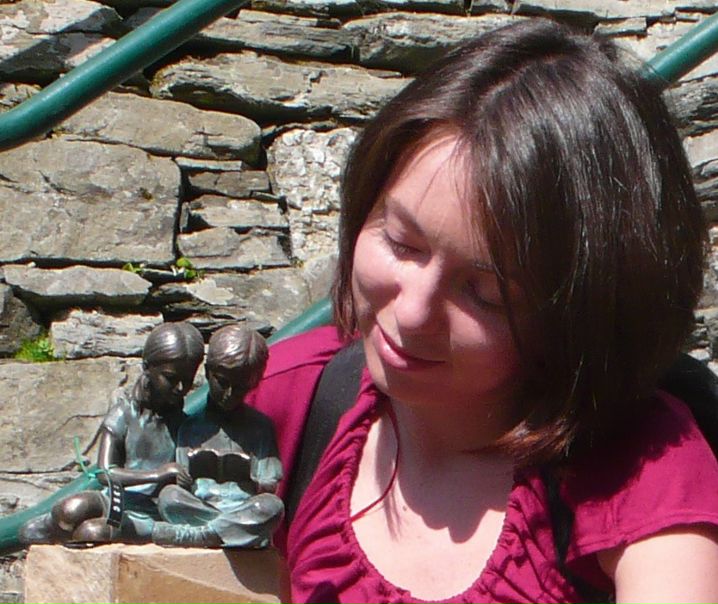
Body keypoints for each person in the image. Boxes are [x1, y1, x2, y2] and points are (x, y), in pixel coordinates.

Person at [243, 18, 718, 604]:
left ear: (584, 313)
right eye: (401, 243)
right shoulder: (286, 400)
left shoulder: (644, 468)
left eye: (485, 292)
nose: (412, 313)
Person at [20, 321, 204, 545]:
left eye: (188, 380)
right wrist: (157, 474)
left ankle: (72, 532)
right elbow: (105, 472)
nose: (181, 388)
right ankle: (56, 525)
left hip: (151, 511)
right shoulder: (124, 414)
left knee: (92, 532)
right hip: (115, 499)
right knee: (71, 509)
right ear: (147, 367)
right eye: (170, 378)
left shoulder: (184, 425)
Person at [151, 324, 284, 548]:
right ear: (207, 372)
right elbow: (181, 484)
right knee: (169, 497)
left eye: (240, 388)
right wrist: (183, 478)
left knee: (271, 507)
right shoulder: (189, 426)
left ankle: (203, 534)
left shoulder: (260, 428)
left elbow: (270, 483)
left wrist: (257, 481)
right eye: (222, 382)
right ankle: (228, 533)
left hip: (243, 507)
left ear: (253, 384)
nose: (229, 394)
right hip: (201, 507)